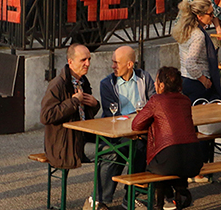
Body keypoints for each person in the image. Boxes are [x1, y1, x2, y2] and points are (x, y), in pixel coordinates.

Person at [130, 66, 203, 210]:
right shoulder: (185, 100)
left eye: (156, 82)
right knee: (172, 156)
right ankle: (179, 191)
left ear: (162, 85)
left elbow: (136, 125)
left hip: (168, 161)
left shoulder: (156, 100)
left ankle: (159, 204)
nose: (155, 85)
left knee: (158, 163)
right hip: (194, 159)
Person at [96, 45, 155, 208]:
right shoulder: (107, 84)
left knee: (150, 146)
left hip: (142, 129)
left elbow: (153, 102)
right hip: (117, 132)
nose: (113, 66)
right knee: (126, 149)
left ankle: (133, 195)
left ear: (130, 64)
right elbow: (111, 114)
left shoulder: (144, 78)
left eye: (116, 62)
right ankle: (103, 200)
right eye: (113, 62)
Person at [40, 44, 100, 171]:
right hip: (65, 145)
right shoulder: (57, 84)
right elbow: (46, 116)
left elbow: (84, 114)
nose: (88, 64)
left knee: (121, 148)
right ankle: (101, 191)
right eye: (83, 60)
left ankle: (103, 190)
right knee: (111, 153)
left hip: (83, 138)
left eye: (89, 59)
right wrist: (73, 102)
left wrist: (95, 105)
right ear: (70, 62)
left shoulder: (83, 81)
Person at [173, 0, 221, 101]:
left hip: (185, 79)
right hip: (197, 83)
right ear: (200, 16)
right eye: (210, 14)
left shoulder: (186, 30)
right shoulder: (198, 35)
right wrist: (203, 80)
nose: (213, 17)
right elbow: (190, 63)